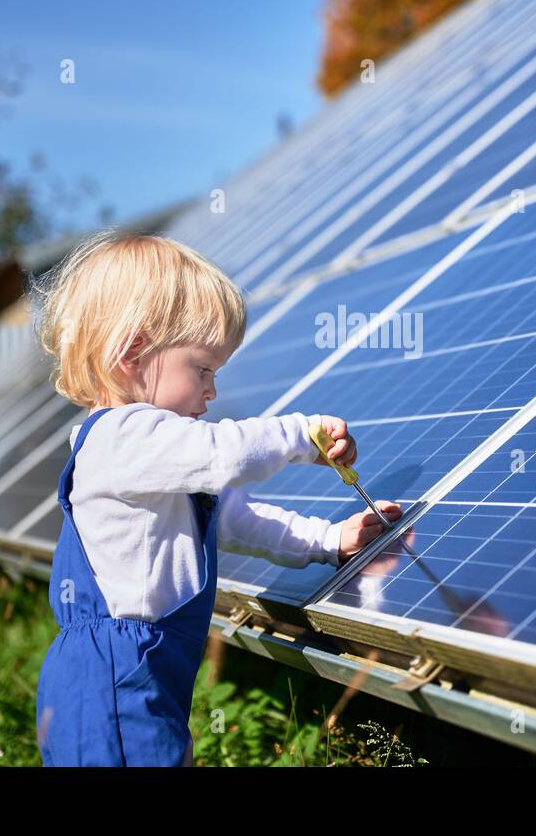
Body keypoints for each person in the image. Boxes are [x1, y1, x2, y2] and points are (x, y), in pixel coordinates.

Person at [31, 230, 401, 766]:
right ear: (134, 352)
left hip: (141, 670)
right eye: (202, 369)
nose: (212, 390)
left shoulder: (154, 460)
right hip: (112, 676)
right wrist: (303, 434)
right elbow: (223, 454)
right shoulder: (121, 438)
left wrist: (325, 540)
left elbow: (234, 519)